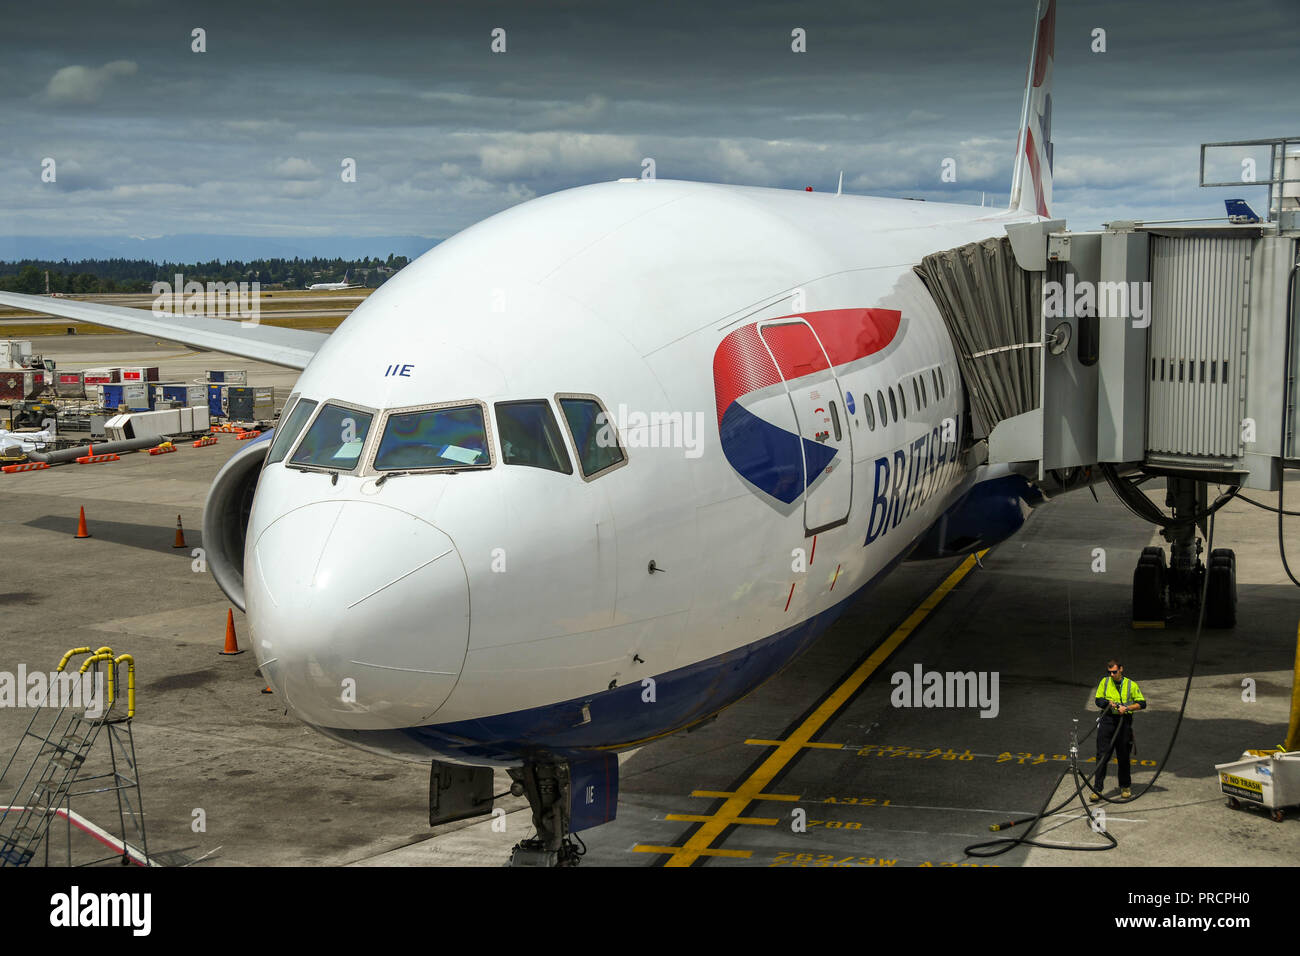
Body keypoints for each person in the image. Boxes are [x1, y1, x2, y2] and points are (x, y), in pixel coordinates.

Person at [1091, 659, 1146, 800]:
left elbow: (1142, 703)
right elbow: (1098, 700)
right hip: (1107, 721)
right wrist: (1109, 703)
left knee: (1123, 756)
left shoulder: (1130, 684)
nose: (1111, 674)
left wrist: (1126, 708)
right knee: (1102, 756)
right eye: (1109, 672)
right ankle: (1097, 789)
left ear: (1121, 669)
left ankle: (1125, 786)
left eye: (1114, 671)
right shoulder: (1105, 682)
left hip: (1124, 723)